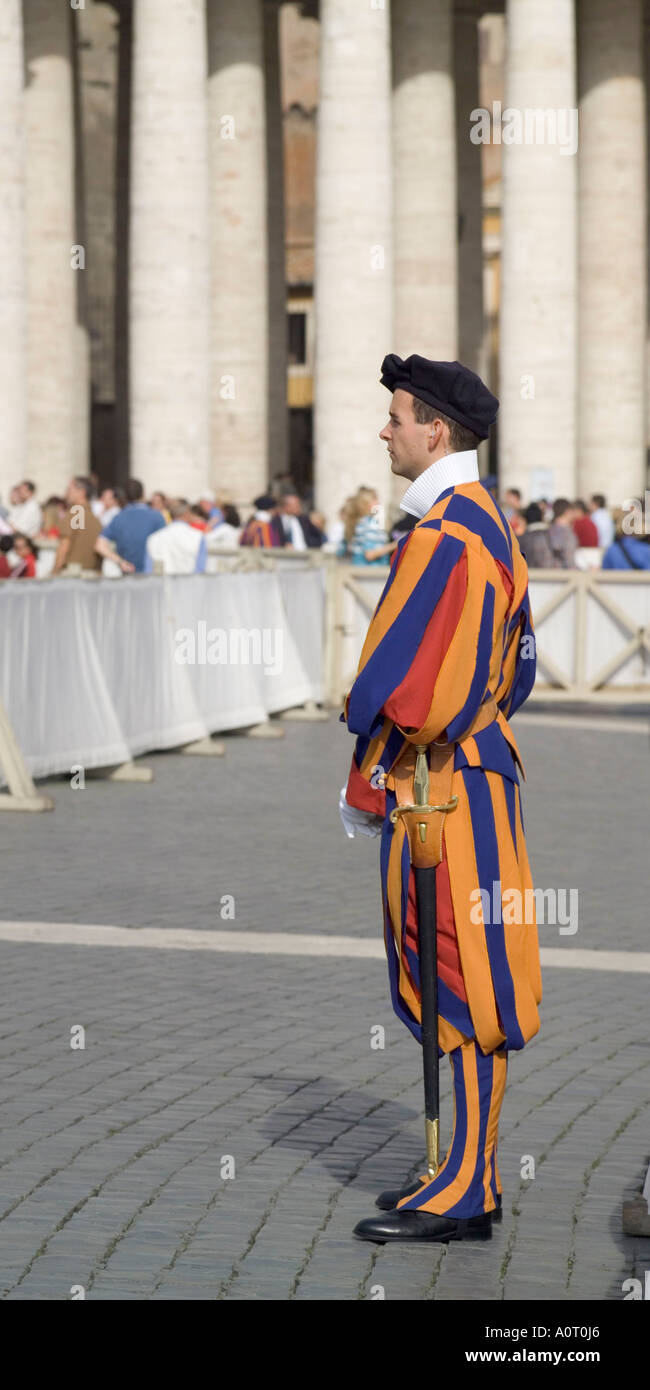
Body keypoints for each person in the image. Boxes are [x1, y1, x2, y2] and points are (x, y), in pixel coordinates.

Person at [341, 353, 540, 1245]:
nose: (386, 429)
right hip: (473, 769)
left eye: (397, 416)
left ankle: (467, 1186)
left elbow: (399, 685)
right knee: (460, 970)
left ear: (438, 430)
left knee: (463, 976)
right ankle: (464, 1170)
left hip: (443, 785)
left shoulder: (445, 535)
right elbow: (522, 667)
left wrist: (366, 751)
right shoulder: (488, 524)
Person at [96, 478, 165, 573]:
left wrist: (120, 562)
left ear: (124, 496)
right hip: (152, 573)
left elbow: (100, 545)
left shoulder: (119, 517)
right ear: (143, 494)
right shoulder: (157, 517)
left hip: (128, 572)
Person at [53, 476, 104, 574]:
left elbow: (64, 546)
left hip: (72, 574)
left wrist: (54, 572)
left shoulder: (75, 514)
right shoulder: (95, 519)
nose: (66, 494)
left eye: (69, 489)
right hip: (92, 575)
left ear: (81, 492)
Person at [144, 500, 208, 575]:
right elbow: (200, 570)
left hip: (162, 584)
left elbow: (148, 571)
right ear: (187, 514)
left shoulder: (153, 538)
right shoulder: (198, 537)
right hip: (188, 584)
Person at [346, 487, 397, 566]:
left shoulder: (370, 522)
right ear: (364, 503)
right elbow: (370, 555)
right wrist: (396, 544)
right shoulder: (366, 524)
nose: (378, 503)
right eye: (375, 499)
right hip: (367, 574)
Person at [517, 502, 555, 568]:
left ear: (525, 519)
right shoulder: (552, 535)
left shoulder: (522, 539)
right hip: (552, 574)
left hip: (531, 574)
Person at [548, 497, 578, 569]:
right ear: (568, 511)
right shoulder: (567, 534)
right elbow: (569, 561)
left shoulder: (548, 531)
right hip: (564, 575)